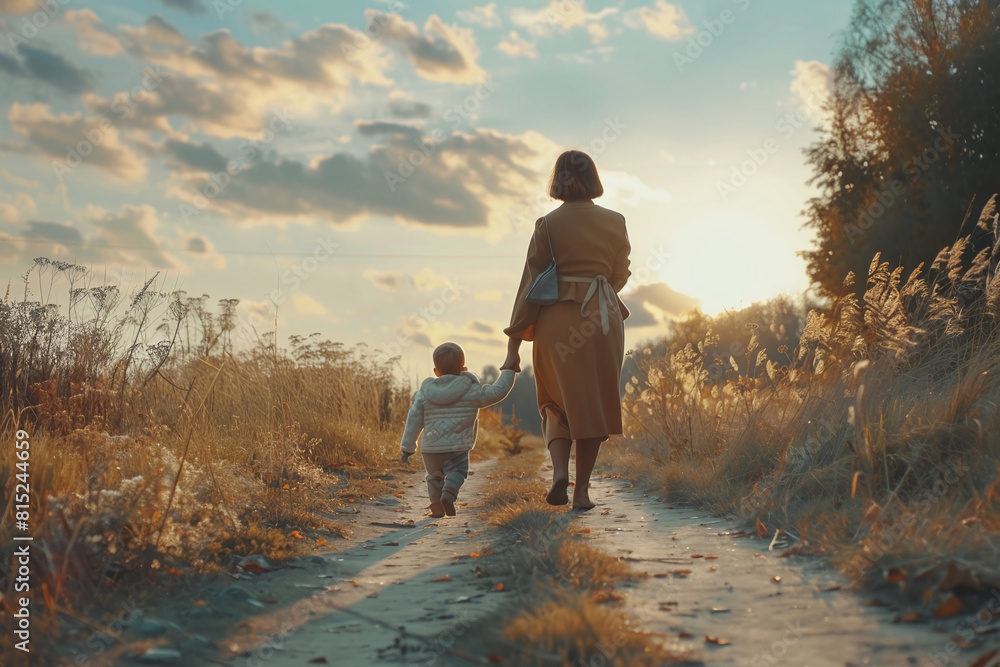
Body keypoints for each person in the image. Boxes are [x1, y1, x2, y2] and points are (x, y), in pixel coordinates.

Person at [501, 150, 631, 511]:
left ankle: (560, 472)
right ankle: (582, 491)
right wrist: (601, 289)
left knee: (555, 403)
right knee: (593, 404)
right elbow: (621, 272)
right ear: (593, 178)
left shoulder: (547, 224)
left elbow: (529, 285)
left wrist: (513, 348)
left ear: (557, 179)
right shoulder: (616, 221)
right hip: (601, 319)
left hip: (556, 320)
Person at [400, 342, 516, 517]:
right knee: (458, 471)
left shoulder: (424, 394)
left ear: (435, 371)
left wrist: (407, 447)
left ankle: (436, 505)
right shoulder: (472, 390)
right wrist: (510, 369)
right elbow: (498, 391)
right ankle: (449, 493)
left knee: (434, 475)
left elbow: (413, 420)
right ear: (464, 368)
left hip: (431, 447)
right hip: (457, 445)